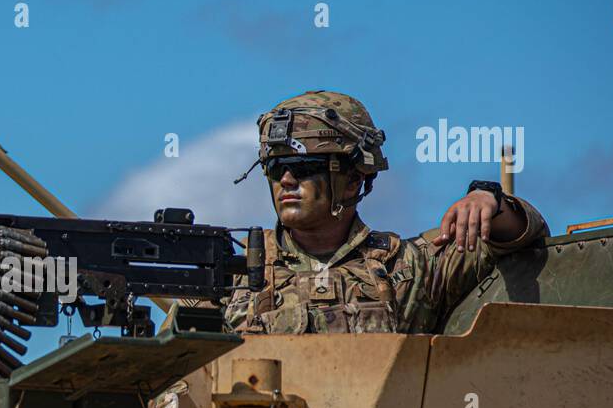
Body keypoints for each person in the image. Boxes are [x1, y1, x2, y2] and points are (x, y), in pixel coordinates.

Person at [224, 91, 547, 334]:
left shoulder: (409, 267)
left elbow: (521, 235)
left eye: (305, 167)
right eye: (275, 167)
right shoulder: (233, 274)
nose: (286, 180)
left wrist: (489, 200)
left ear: (353, 180)